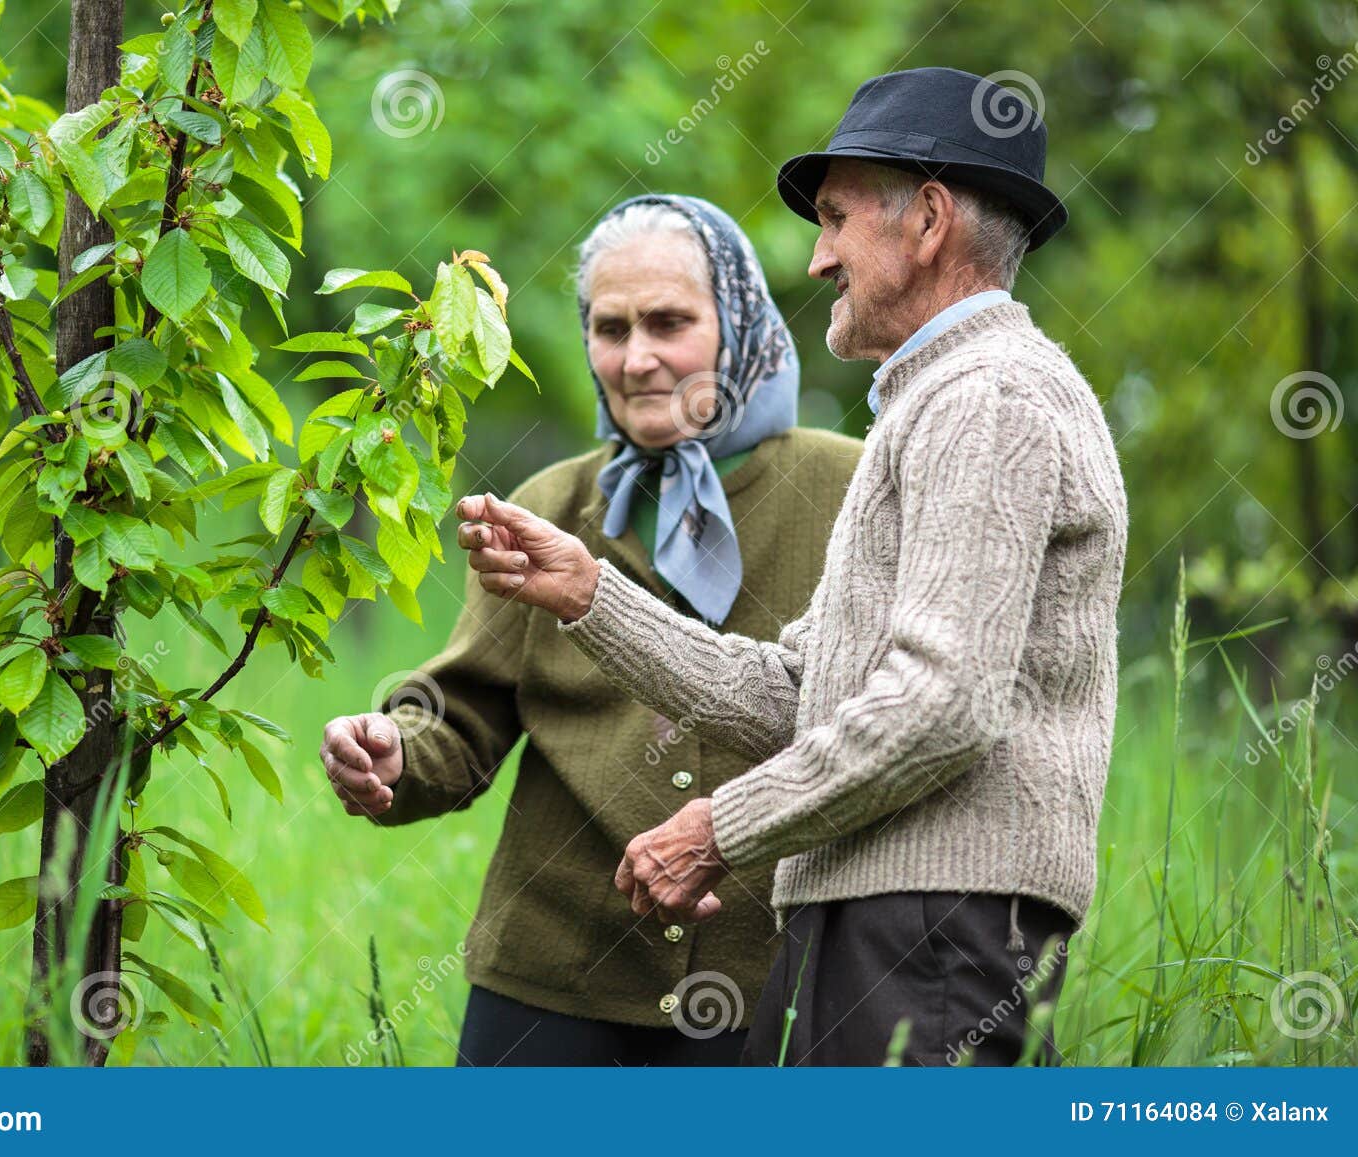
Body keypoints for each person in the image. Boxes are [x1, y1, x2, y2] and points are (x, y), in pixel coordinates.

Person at [452, 68, 1130, 1066]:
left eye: (836, 219)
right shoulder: (934, 402)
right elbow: (798, 690)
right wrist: (588, 594)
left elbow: (942, 702)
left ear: (930, 220)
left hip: (933, 924)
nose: (815, 261)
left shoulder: (989, 398)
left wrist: (719, 827)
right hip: (881, 913)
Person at [318, 193, 863, 1066]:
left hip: (769, 969)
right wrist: (397, 750)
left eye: (670, 321)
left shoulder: (853, 491)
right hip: (553, 968)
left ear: (743, 323)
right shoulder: (549, 507)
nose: (638, 357)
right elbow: (465, 716)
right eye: (610, 328)